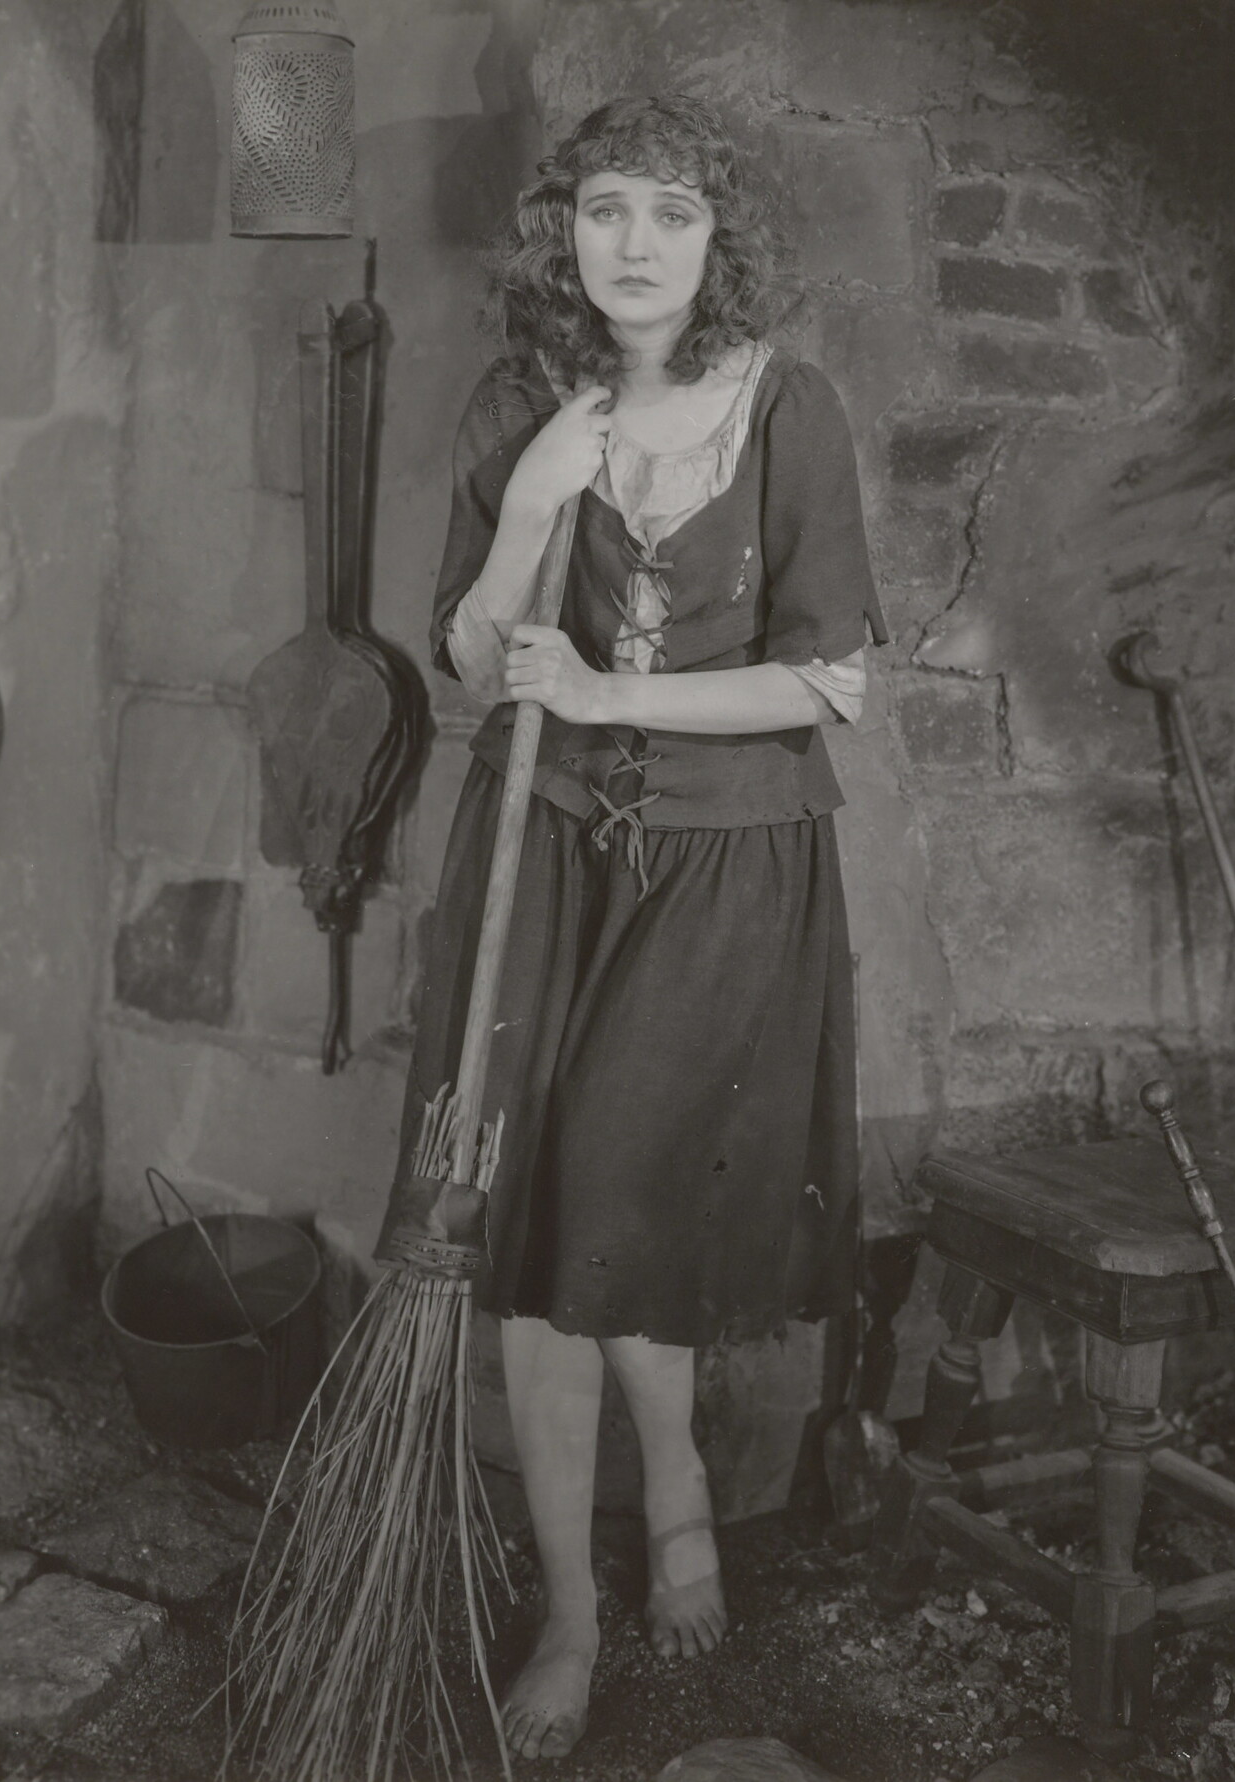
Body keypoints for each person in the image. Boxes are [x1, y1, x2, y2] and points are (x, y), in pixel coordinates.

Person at [398, 93, 886, 1762]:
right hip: (541, 846)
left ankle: (674, 1479)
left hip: (726, 864)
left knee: (625, 1187)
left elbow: (836, 680)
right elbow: (468, 661)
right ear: (566, 231)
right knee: (534, 1220)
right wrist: (536, 503)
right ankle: (576, 1603)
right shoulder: (518, 402)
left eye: (672, 214)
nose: (635, 244)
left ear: (715, 240)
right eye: (606, 208)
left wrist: (611, 684)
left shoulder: (786, 407)